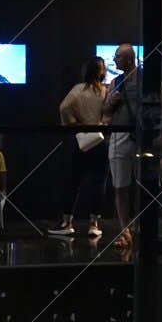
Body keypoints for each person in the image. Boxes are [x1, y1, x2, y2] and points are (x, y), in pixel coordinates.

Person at [47, 56, 109, 240]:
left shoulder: (78, 90)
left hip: (81, 142)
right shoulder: (106, 91)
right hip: (101, 142)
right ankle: (94, 224)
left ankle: (67, 223)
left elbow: (63, 107)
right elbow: (110, 114)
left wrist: (75, 125)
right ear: (101, 71)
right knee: (99, 183)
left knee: (73, 182)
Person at [101, 43, 140, 248]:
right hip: (120, 137)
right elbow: (105, 112)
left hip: (138, 138)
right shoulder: (115, 82)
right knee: (120, 187)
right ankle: (126, 230)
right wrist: (111, 103)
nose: (114, 60)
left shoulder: (146, 82)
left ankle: (135, 228)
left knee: (135, 187)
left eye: (117, 57)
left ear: (128, 59)